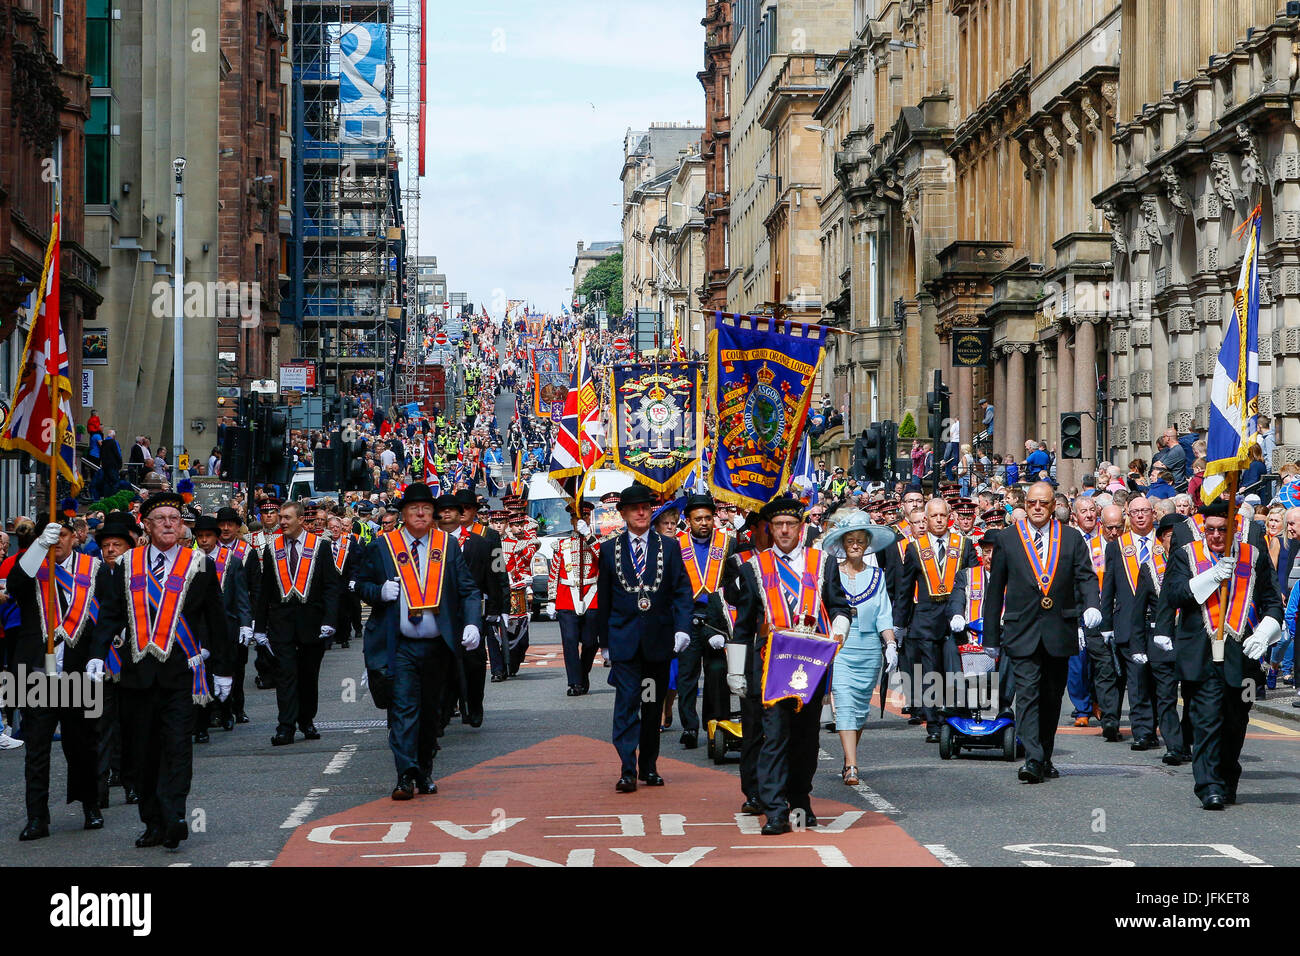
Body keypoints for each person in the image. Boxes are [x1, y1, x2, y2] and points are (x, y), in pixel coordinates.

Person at [88, 492, 233, 849]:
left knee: (178, 747)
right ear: (147, 527)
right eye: (161, 518)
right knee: (143, 753)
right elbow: (110, 613)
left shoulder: (198, 563)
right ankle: (152, 821)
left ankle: (175, 815)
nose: (169, 523)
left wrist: (224, 669)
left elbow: (216, 618)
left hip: (180, 674)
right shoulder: (128, 564)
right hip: (136, 675)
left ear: (182, 526)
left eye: (174, 518)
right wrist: (96, 654)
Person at [728, 496, 850, 834]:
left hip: (812, 664)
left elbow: (839, 606)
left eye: (790, 524)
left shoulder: (822, 562)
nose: (784, 530)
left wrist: (839, 628)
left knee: (806, 740)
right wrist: (736, 669)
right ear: (770, 528)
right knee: (775, 737)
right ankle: (776, 811)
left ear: (802, 527)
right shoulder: (754, 567)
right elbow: (743, 624)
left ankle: (800, 800)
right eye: (778, 525)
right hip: (770, 666)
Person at [356, 482, 482, 799]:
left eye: (427, 508)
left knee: (431, 715)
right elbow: (359, 583)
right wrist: (379, 592)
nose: (422, 513)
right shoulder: (383, 546)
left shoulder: (448, 546)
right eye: (415, 509)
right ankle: (404, 775)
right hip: (399, 645)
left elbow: (468, 590)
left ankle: (423, 770)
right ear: (403, 514)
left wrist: (471, 623)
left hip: (437, 645)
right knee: (402, 710)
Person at [1154, 500, 1282, 809]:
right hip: (1200, 653)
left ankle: (1226, 777)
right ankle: (1208, 785)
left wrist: (1265, 633)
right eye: (1209, 530)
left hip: (1242, 656)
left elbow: (1271, 601)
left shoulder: (1253, 556)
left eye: (1222, 530)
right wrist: (1211, 576)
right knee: (1206, 721)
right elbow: (1174, 595)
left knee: (1235, 724)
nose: (1214, 536)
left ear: (1234, 529)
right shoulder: (1186, 555)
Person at [983, 481, 1103, 784]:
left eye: (1044, 503)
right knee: (1027, 694)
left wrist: (1092, 605)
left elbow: (1086, 576)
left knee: (1051, 698)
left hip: (1059, 629)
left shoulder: (1072, 538)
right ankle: (1033, 759)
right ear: (1027, 503)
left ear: (1053, 507)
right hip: (1021, 629)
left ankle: (1045, 755)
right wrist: (991, 638)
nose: (1038, 507)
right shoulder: (1009, 538)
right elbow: (995, 589)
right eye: (1033, 502)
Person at [10, 518, 106, 841]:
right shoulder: (31, 567)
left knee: (82, 746)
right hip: (37, 674)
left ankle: (91, 805)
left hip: (77, 673)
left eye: (63, 535)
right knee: (36, 750)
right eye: (52, 536)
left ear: (74, 538)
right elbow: (13, 585)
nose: (58, 541)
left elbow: (105, 615)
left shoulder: (93, 570)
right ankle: (37, 817)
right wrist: (38, 546)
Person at [594, 482, 693, 793]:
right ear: (622, 513)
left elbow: (681, 592)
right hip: (624, 644)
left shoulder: (670, 546)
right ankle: (626, 767)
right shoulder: (609, 549)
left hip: (657, 643)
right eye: (634, 508)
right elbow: (604, 598)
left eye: (646, 507)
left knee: (651, 705)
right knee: (626, 704)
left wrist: (682, 629)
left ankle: (648, 766)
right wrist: (604, 643)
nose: (641, 512)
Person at [819, 512, 897, 785]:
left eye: (860, 541)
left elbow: (884, 615)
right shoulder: (830, 573)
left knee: (861, 709)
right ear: (842, 543)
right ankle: (852, 764)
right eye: (850, 540)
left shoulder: (877, 575)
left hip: (869, 649)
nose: (855, 545)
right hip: (841, 647)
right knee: (844, 703)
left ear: (867, 544)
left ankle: (848, 756)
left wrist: (890, 644)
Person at [253, 501, 340, 746]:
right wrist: (260, 628)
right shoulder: (272, 548)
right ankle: (285, 726)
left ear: (301, 520)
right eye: (280, 517)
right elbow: (265, 591)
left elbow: (331, 587)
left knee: (308, 677)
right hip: (281, 625)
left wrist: (329, 620)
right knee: (286, 676)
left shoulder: (320, 546)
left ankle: (306, 720)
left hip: (312, 624)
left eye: (287, 518)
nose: (282, 522)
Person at [893, 497, 978, 741]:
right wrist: (899, 624)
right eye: (934, 516)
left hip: (956, 618)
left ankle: (954, 716)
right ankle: (933, 723)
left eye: (942, 515)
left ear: (948, 516)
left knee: (955, 669)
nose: (939, 520)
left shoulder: (963, 544)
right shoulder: (914, 547)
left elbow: (973, 582)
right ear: (926, 519)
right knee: (929, 671)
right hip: (926, 618)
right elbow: (906, 589)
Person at [673, 494, 736, 749]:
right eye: (698, 518)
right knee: (687, 676)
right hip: (688, 619)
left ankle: (715, 724)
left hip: (717, 622)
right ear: (688, 520)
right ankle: (689, 726)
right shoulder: (676, 545)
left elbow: (733, 582)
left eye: (708, 518)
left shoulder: (728, 543)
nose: (704, 523)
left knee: (716, 674)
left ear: (714, 519)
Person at [1099, 496, 1159, 751]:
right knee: (1136, 681)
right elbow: (1109, 586)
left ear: (1153, 514)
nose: (1140, 516)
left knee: (1158, 681)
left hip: (1159, 623)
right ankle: (1143, 731)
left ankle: (1158, 727)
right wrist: (1106, 624)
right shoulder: (1117, 546)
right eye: (1135, 512)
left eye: (1145, 511)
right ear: (1128, 516)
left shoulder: (1164, 543)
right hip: (1127, 623)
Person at [1131, 513, 1190, 765]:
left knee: (1193, 696)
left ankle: (1188, 740)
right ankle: (1174, 746)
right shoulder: (1150, 568)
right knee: (1165, 696)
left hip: (1190, 640)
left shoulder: (1195, 564)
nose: (1173, 542)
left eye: (1178, 537)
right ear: (1160, 540)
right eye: (1169, 537)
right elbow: (1137, 609)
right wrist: (1137, 645)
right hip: (1161, 640)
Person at [191, 514, 252, 738]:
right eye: (200, 536)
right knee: (203, 674)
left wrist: (246, 623)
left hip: (226, 625)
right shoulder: (191, 560)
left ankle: (227, 711)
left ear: (216, 537)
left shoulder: (232, 560)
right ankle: (203, 721)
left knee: (226, 668)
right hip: (201, 626)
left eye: (208, 536)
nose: (204, 541)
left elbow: (241, 595)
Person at [548, 500, 600, 696]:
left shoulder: (597, 541)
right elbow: (554, 573)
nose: (579, 521)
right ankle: (575, 683)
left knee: (590, 642)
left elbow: (603, 557)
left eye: (584, 517)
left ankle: (582, 673)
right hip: (566, 596)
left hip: (591, 595)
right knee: (569, 640)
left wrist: (588, 534)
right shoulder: (562, 545)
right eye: (576, 517)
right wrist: (551, 599)